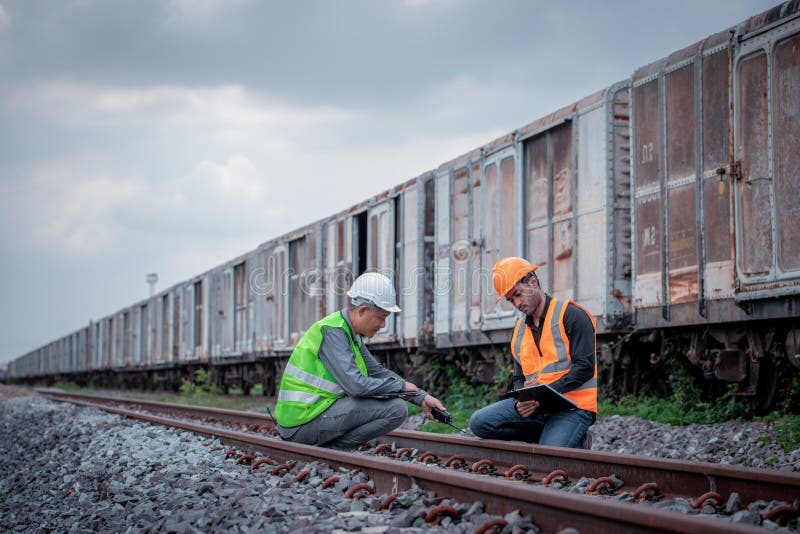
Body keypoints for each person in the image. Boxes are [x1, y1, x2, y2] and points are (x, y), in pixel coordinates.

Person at [274, 272, 446, 450]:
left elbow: (378, 372)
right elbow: (356, 386)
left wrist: (421, 397)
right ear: (362, 310)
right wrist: (401, 387)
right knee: (396, 409)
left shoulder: (349, 333)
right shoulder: (334, 333)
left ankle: (334, 450)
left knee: (396, 407)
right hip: (301, 423)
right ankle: (336, 451)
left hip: (311, 415)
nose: (383, 325)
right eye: (381, 317)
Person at [469, 257, 597, 449]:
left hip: (573, 407)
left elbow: (585, 368)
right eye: (511, 300)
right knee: (479, 423)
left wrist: (544, 395)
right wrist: (524, 398)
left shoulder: (572, 315)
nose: (517, 303)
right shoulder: (519, 330)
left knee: (549, 455)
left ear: (533, 283)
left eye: (518, 294)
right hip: (538, 406)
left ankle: (572, 438)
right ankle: (549, 433)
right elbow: (519, 377)